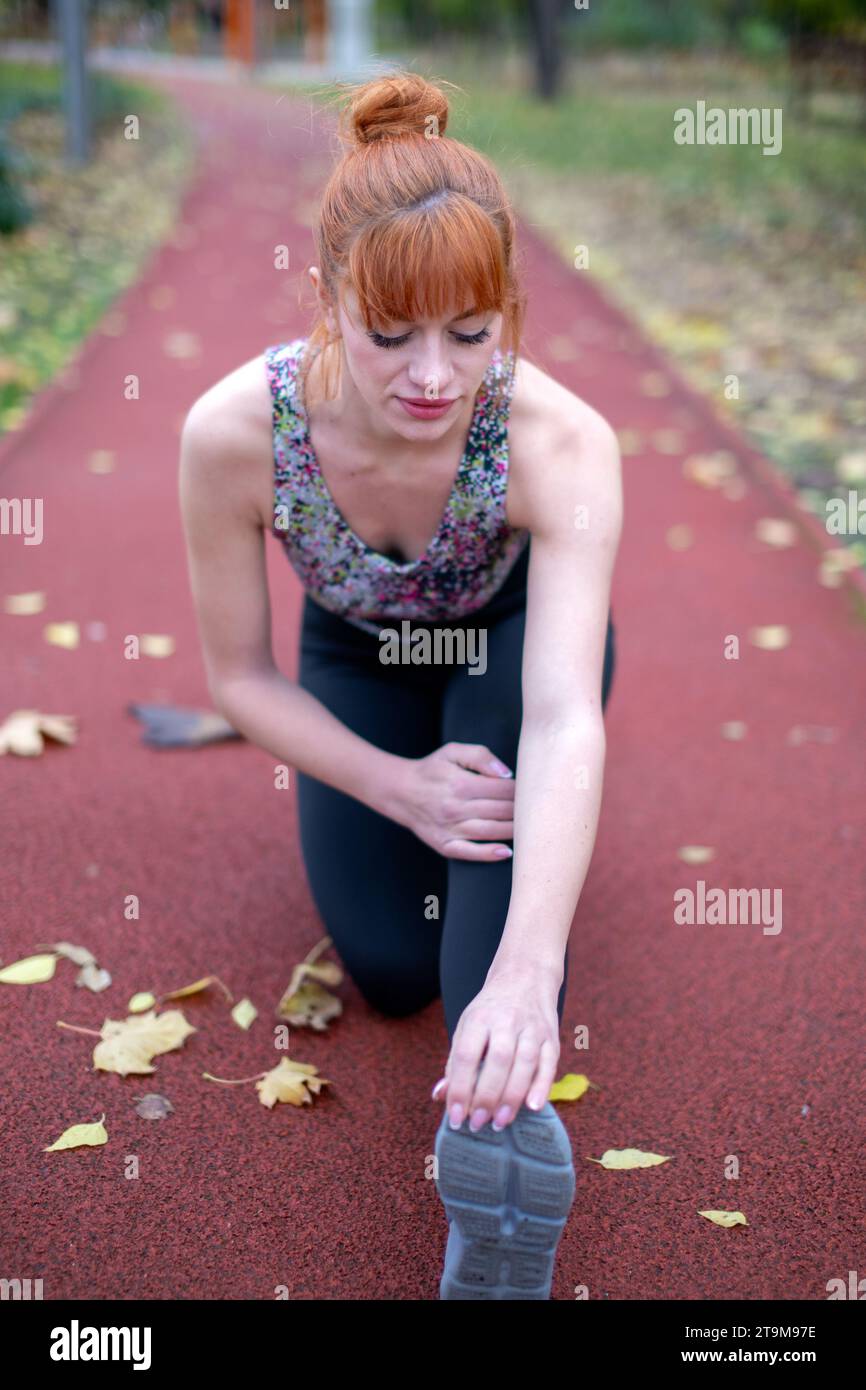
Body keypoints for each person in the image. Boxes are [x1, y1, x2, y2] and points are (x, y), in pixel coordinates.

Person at [179, 70, 621, 1300]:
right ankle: (466, 835)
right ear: (327, 303)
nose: (433, 377)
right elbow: (237, 673)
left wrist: (531, 963)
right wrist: (395, 787)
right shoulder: (231, 434)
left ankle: (491, 1200)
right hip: (356, 659)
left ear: (506, 313)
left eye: (470, 335)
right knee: (382, 968)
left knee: (480, 978)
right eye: (389, 336)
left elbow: (561, 710)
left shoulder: (561, 444)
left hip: (509, 651)